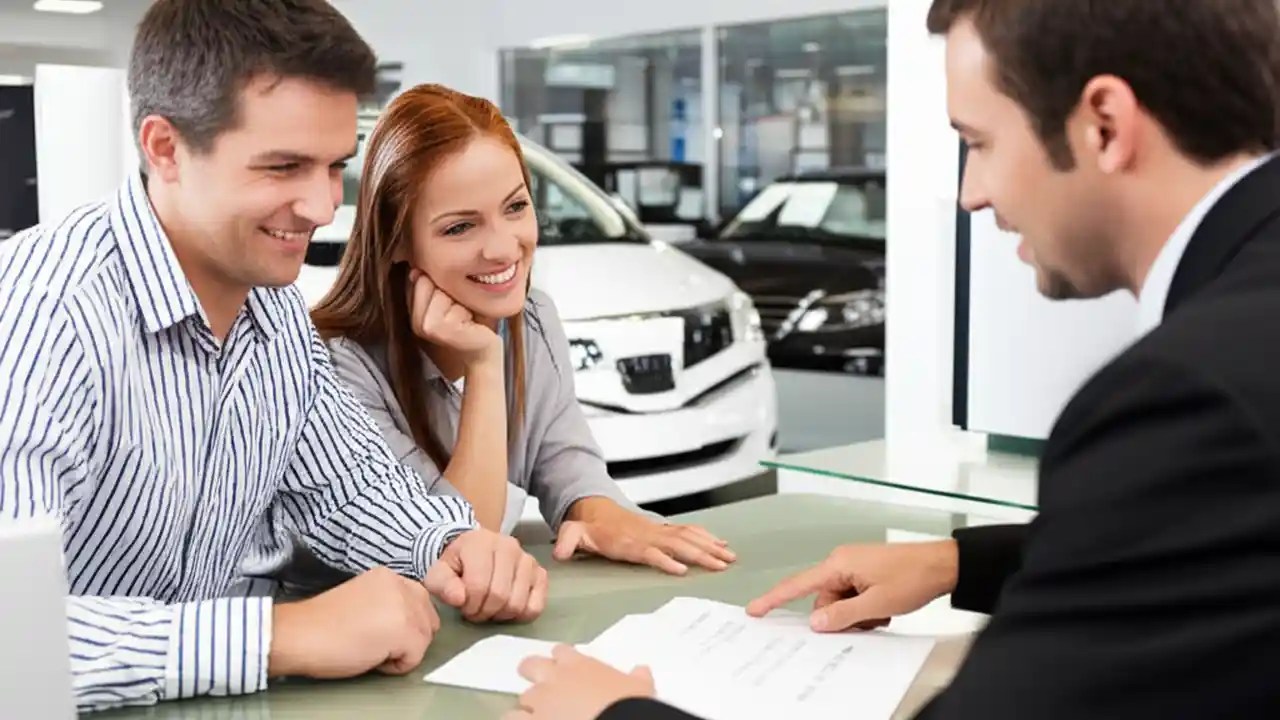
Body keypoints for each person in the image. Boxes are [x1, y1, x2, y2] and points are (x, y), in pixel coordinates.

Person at [508, 0, 1280, 718]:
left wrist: (617, 715)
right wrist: (956, 563)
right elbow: (1188, 550)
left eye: (978, 143)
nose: (970, 194)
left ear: (1104, 124)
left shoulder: (1187, 396)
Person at [0, 1, 545, 713]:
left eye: (334, 168)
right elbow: (14, 629)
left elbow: (346, 489)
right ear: (165, 148)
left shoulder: (274, 308)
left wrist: (447, 545)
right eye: (283, 167)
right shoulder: (45, 315)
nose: (321, 206)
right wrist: (274, 637)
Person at [308, 83, 737, 577]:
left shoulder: (531, 318)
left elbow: (565, 461)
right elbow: (463, 547)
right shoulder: (339, 365)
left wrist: (605, 517)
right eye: (459, 227)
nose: (503, 249)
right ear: (397, 241)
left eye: (515, 208)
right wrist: (484, 365)